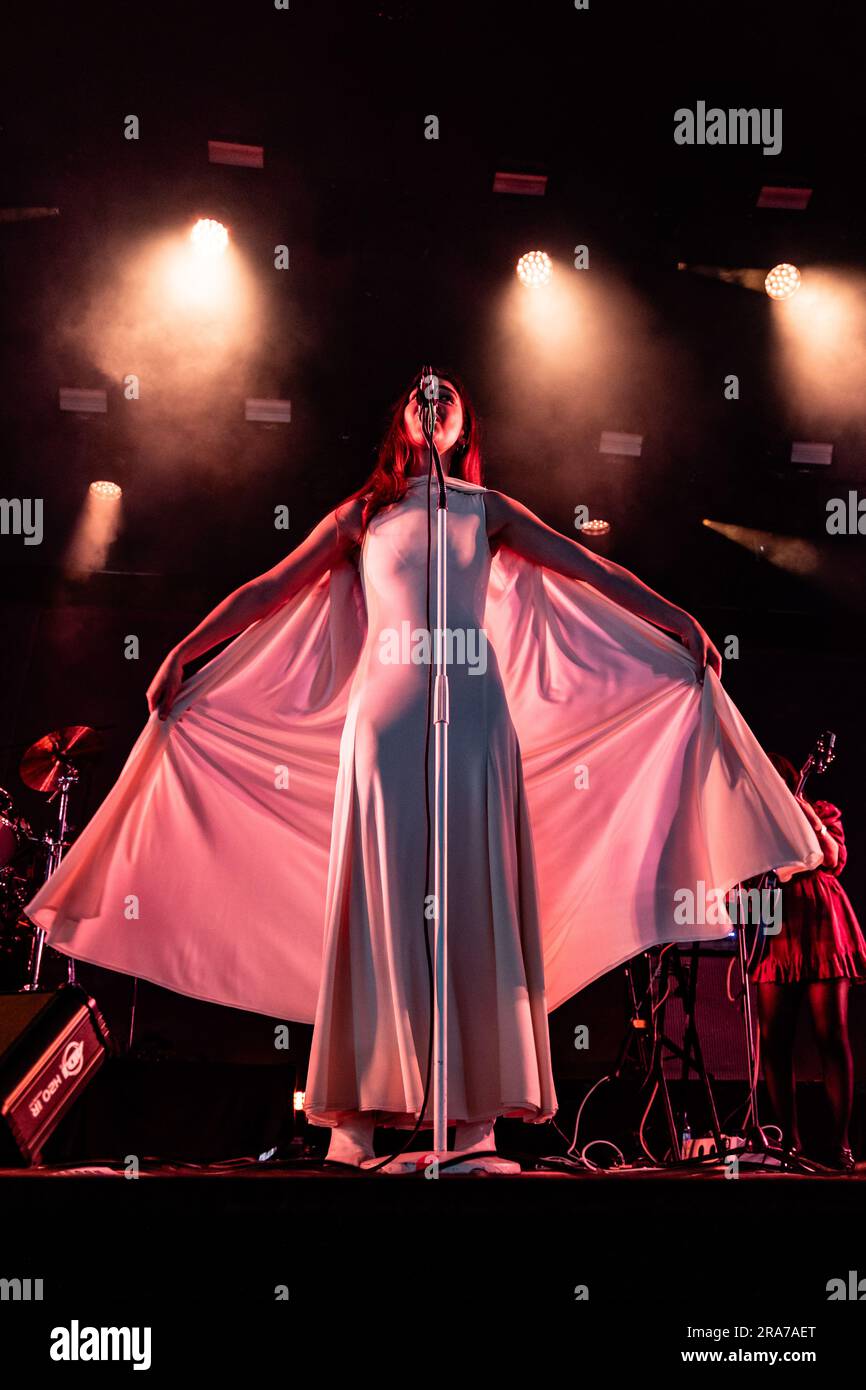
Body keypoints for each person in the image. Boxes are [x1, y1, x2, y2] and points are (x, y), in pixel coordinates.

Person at [145, 367, 721, 1166]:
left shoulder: (487, 511)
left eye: (448, 394)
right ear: (405, 423)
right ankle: (357, 1120)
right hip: (386, 718)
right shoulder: (364, 514)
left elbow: (592, 571)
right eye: (424, 393)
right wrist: (184, 649)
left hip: (476, 721)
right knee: (381, 897)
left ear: (463, 429)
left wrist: (676, 617)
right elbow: (272, 587)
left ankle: (475, 1121)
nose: (435, 398)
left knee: (472, 896)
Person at [749, 752, 866, 1172]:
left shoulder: (818, 811)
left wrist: (807, 817)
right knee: (775, 1044)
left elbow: (834, 859)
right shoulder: (753, 816)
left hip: (820, 919)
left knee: (831, 1036)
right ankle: (789, 1144)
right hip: (778, 923)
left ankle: (840, 1145)